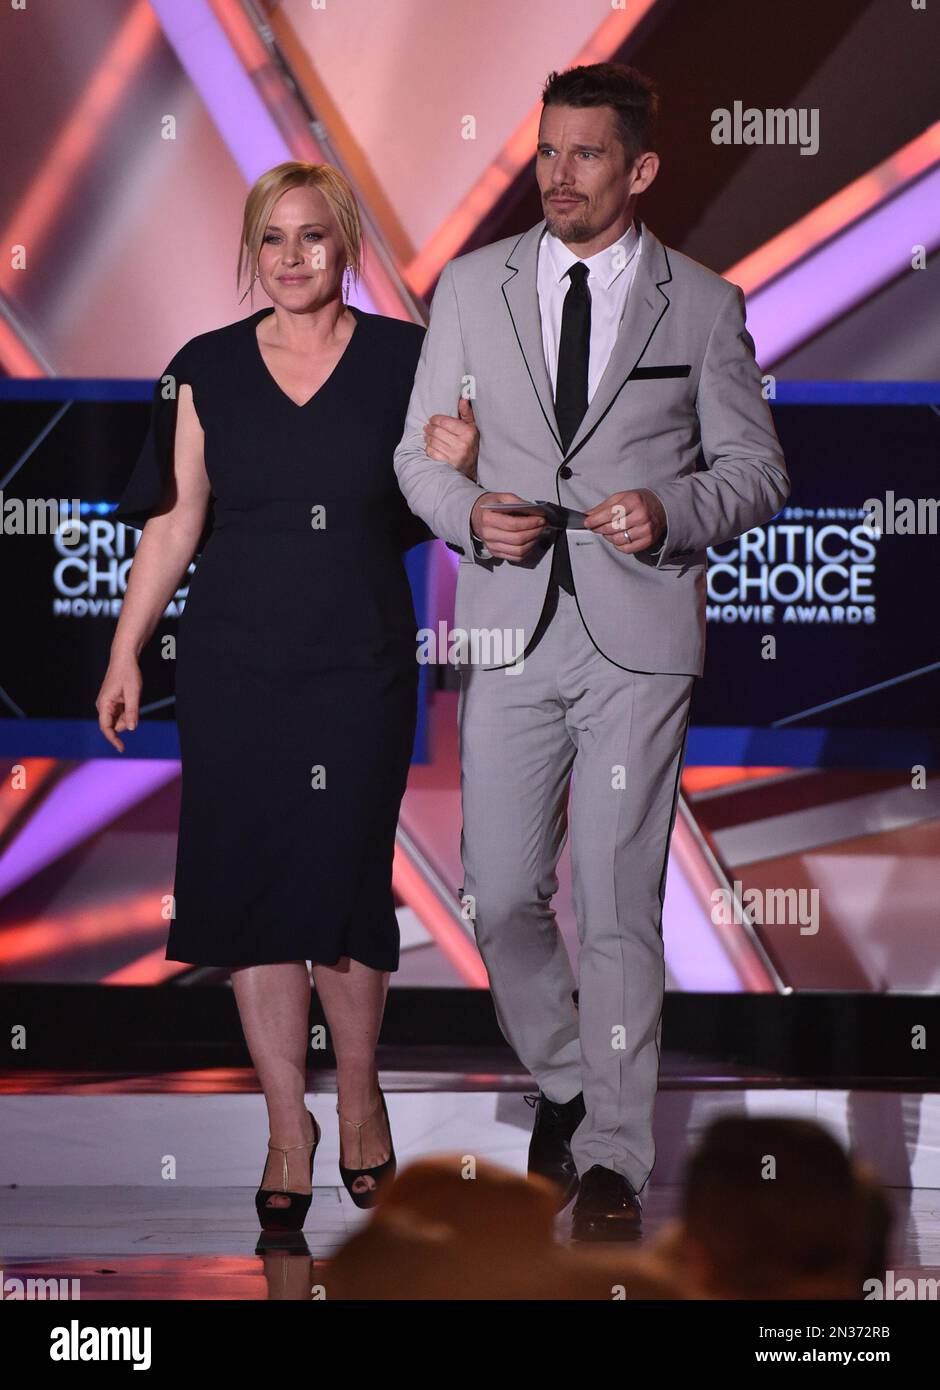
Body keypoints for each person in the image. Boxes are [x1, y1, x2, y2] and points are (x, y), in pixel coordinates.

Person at [393, 63, 790, 1240]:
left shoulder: (703, 304)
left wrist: (669, 511)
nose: (556, 176)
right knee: (502, 892)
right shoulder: (471, 285)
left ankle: (614, 1151)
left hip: (638, 632)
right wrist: (468, 513)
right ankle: (568, 1080)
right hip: (511, 620)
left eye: (583, 156)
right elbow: (420, 458)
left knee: (617, 899)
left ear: (640, 167)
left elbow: (756, 472)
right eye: (547, 152)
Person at [97, 162, 478, 1228]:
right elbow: (172, 522)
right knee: (251, 894)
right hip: (233, 666)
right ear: (251, 252)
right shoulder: (204, 369)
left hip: (356, 662)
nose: (293, 258)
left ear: (343, 245)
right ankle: (284, 1124)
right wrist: (129, 650)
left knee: (344, 887)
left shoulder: (407, 356)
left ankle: (357, 1100)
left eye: (312, 237)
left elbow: (449, 495)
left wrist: (466, 450)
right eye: (273, 239)